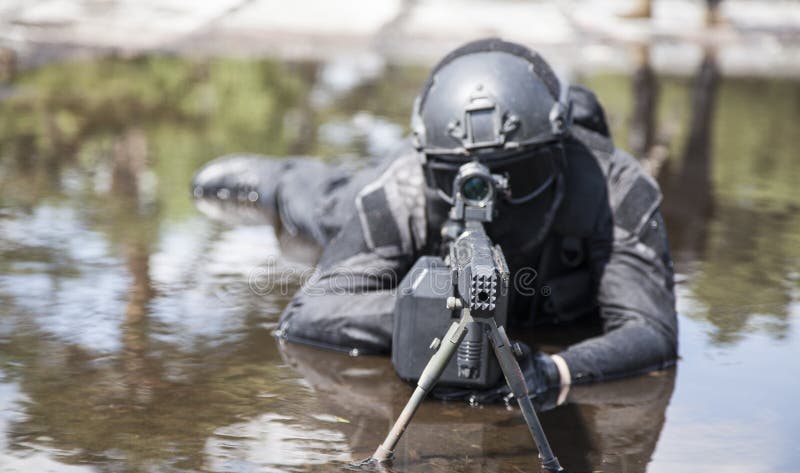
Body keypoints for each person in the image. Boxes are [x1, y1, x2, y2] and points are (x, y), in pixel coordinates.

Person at [192, 38, 678, 403]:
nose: (490, 195)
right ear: (432, 161)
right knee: (329, 206)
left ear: (558, 151)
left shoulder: (613, 189)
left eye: (516, 175)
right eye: (463, 178)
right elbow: (309, 314)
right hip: (372, 201)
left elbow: (651, 330)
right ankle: (279, 178)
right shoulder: (406, 186)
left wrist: (553, 372)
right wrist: (441, 318)